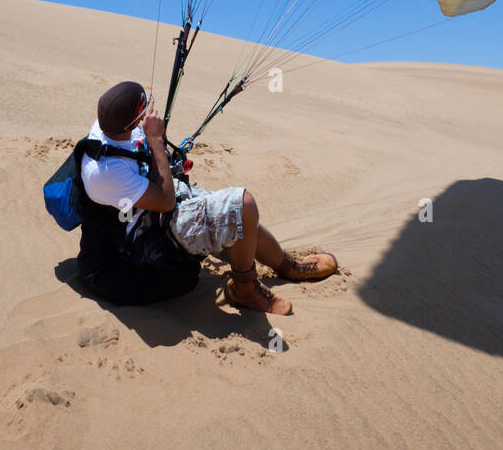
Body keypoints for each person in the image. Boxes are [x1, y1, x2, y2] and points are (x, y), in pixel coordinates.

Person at [77, 80, 337, 314]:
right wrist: (155, 141)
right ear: (132, 123)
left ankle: (287, 266)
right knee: (242, 206)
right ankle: (244, 290)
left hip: (148, 207)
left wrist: (154, 141)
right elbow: (166, 201)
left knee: (238, 218)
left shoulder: (110, 128)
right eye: (144, 112)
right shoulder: (105, 172)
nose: (149, 115)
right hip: (139, 243)